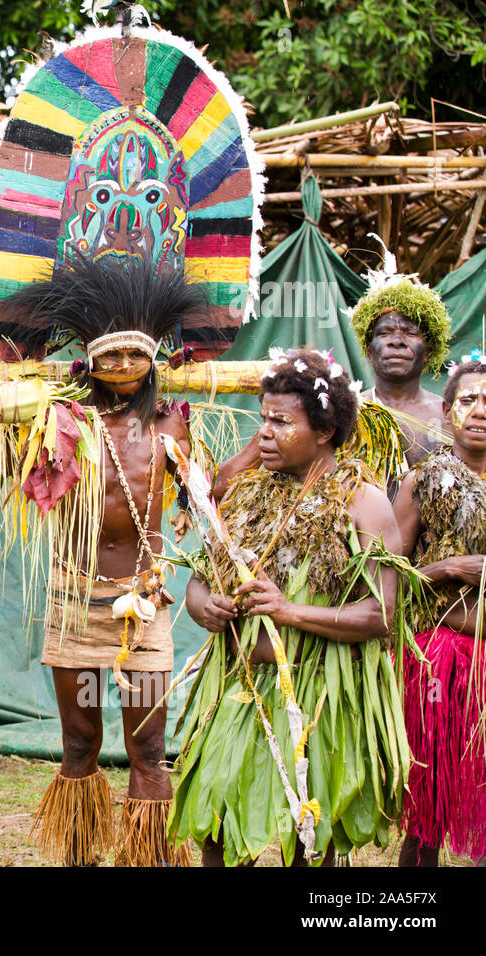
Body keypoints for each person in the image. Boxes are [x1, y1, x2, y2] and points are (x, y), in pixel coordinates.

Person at [172, 348, 418, 866]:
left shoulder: (363, 501)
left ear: (325, 431)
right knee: (216, 827)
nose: (264, 433)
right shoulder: (246, 494)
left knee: (308, 838)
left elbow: (382, 616)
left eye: (281, 422)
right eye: (263, 419)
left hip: (320, 694)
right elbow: (197, 582)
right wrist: (205, 606)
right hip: (240, 687)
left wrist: (290, 612)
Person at [0, 255, 204, 866]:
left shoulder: (172, 424)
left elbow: (203, 493)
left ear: (153, 359)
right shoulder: (60, 420)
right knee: (79, 742)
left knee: (149, 747)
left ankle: (150, 858)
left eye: (136, 356)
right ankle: (79, 855)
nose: (123, 367)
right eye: (110, 357)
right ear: (89, 360)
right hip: (74, 598)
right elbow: (17, 470)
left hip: (144, 603)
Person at [392, 358, 486, 867]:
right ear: (447, 411)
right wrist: (448, 566)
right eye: (469, 400)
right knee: (426, 807)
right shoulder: (422, 481)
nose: (481, 411)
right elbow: (387, 578)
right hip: (440, 662)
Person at [351, 265, 453, 467]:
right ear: (369, 351)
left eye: (410, 333)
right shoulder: (351, 412)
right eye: (385, 333)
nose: (397, 341)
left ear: (428, 352)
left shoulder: (447, 416)